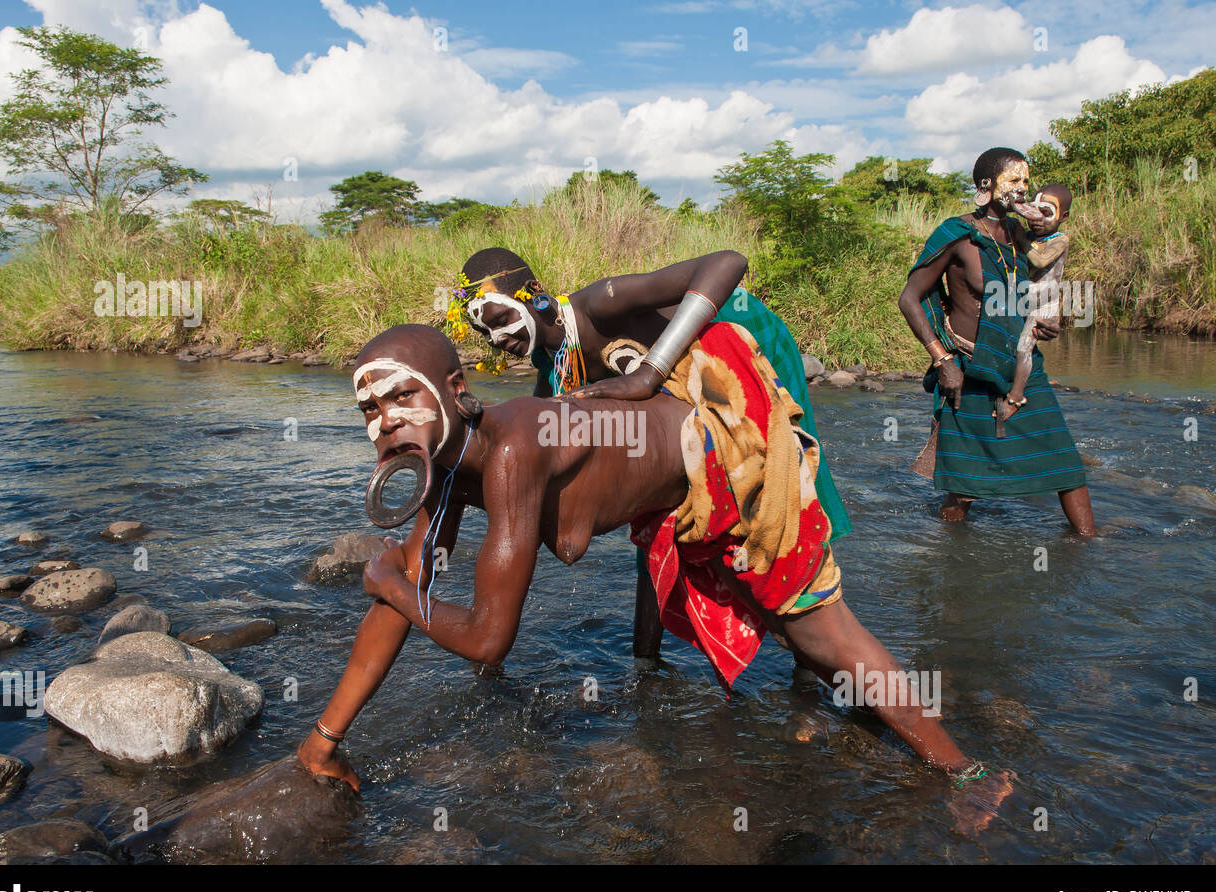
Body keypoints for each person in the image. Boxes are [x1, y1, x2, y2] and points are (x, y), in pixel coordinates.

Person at [295, 322, 1011, 829]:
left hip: (730, 459)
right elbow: (403, 595)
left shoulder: (513, 450)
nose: (385, 422)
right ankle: (866, 721)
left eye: (400, 398)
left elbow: (485, 639)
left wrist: (390, 583)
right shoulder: (448, 469)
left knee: (821, 631)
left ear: (455, 390)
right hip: (670, 493)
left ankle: (967, 771)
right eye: (369, 409)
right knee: (801, 641)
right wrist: (323, 740)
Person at [448, 247, 853, 658]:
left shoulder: (599, 305)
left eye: (499, 320)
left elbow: (727, 263)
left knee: (791, 476)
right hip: (684, 390)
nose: (497, 338)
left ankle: (818, 638)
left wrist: (650, 372)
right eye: (485, 335)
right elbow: (537, 439)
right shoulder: (551, 364)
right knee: (651, 510)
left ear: (534, 294)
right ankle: (646, 662)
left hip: (742, 337)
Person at [897, 147, 1094, 534]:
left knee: (1064, 462)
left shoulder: (1021, 237)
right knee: (963, 484)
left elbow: (1034, 297)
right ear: (986, 186)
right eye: (1013, 181)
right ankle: (949, 557)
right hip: (968, 367)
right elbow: (910, 298)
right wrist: (943, 361)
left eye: (1026, 181)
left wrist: (1050, 325)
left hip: (1021, 364)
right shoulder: (957, 234)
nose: (1023, 190)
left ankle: (1092, 546)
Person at [1002, 184, 1073, 421]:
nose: (1038, 219)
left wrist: (1020, 236)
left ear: (1063, 216)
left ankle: (1016, 397)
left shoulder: (1060, 239)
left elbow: (1039, 260)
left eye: (1047, 213)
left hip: (1044, 302)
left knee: (1025, 346)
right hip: (1023, 297)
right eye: (1034, 211)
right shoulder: (1031, 236)